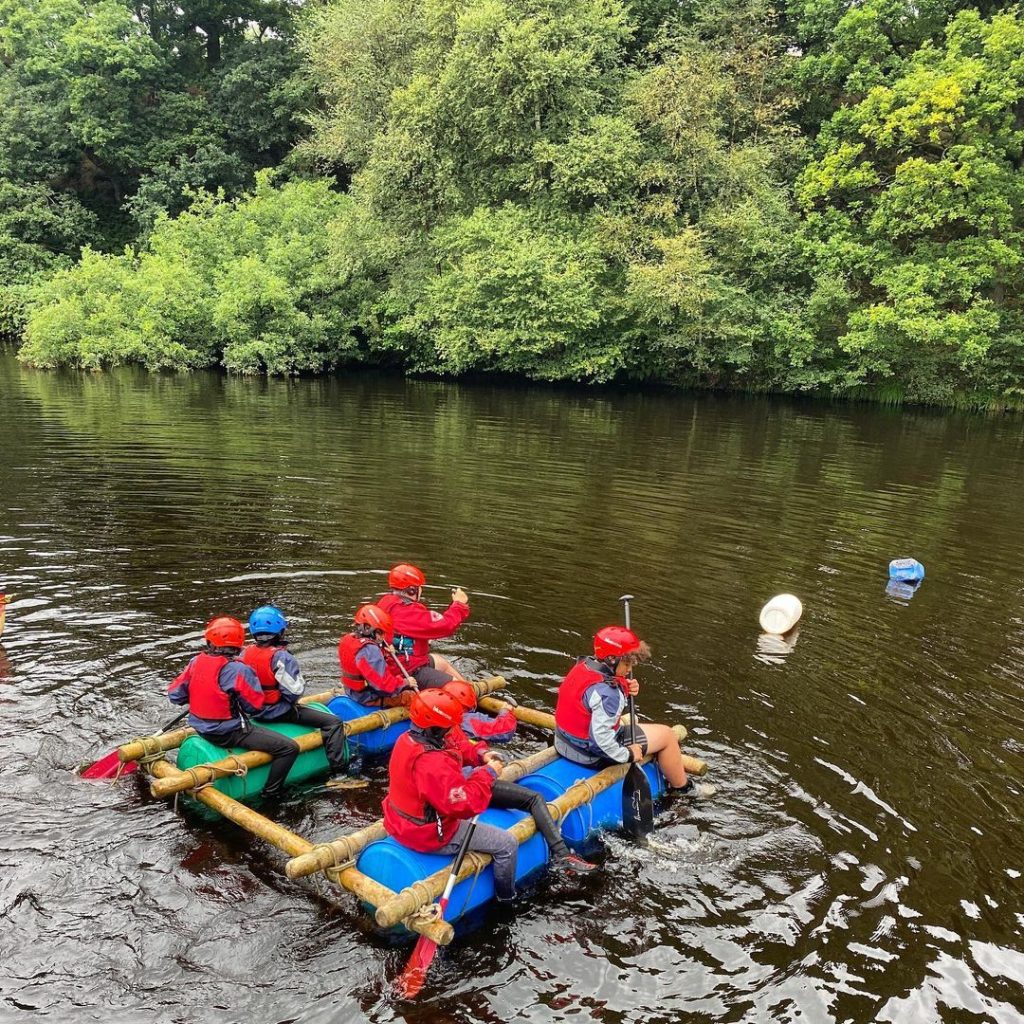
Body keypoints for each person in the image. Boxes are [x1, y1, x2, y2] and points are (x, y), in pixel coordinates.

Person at [443, 681, 596, 873]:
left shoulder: (426, 738)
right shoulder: (466, 722)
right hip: (468, 790)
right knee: (534, 799)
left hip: (458, 792)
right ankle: (562, 854)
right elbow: (503, 730)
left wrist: (481, 753)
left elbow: (464, 748)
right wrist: (506, 712)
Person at [382, 689, 520, 901]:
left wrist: (479, 754)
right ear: (437, 729)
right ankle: (507, 898)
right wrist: (488, 773)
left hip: (397, 823)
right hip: (427, 835)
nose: (452, 730)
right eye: (448, 727)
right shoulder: (433, 763)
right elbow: (464, 805)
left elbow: (455, 746)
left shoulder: (406, 740)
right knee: (507, 844)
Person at [554, 625, 713, 797]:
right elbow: (599, 743)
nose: (630, 669)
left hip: (563, 742)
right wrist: (628, 754)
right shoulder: (608, 694)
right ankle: (684, 789)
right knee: (667, 735)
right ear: (612, 659)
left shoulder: (583, 665)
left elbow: (591, 696)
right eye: (627, 663)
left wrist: (624, 686)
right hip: (588, 753)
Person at [168, 615, 298, 800]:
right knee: (289, 748)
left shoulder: (195, 662)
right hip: (229, 734)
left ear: (209, 641)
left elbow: (175, 695)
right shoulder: (239, 669)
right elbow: (254, 706)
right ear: (238, 643)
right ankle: (272, 793)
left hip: (201, 729)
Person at [240, 604, 349, 774]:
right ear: (280, 631)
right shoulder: (281, 657)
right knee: (333, 722)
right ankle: (340, 773)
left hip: (251, 711)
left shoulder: (244, 653)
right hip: (274, 712)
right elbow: (294, 692)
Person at [377, 563, 469, 688]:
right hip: (406, 670)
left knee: (441, 662)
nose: (421, 590)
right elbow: (445, 626)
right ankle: (463, 694)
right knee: (458, 688)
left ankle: (471, 690)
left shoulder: (386, 602)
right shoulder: (408, 613)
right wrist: (459, 605)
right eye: (419, 587)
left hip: (395, 663)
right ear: (412, 590)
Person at [338, 604, 415, 707]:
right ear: (367, 628)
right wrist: (405, 682)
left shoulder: (348, 639)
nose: (383, 637)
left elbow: (367, 666)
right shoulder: (370, 649)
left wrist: (383, 651)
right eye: (380, 633)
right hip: (366, 697)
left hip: (351, 691)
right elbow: (384, 687)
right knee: (411, 696)